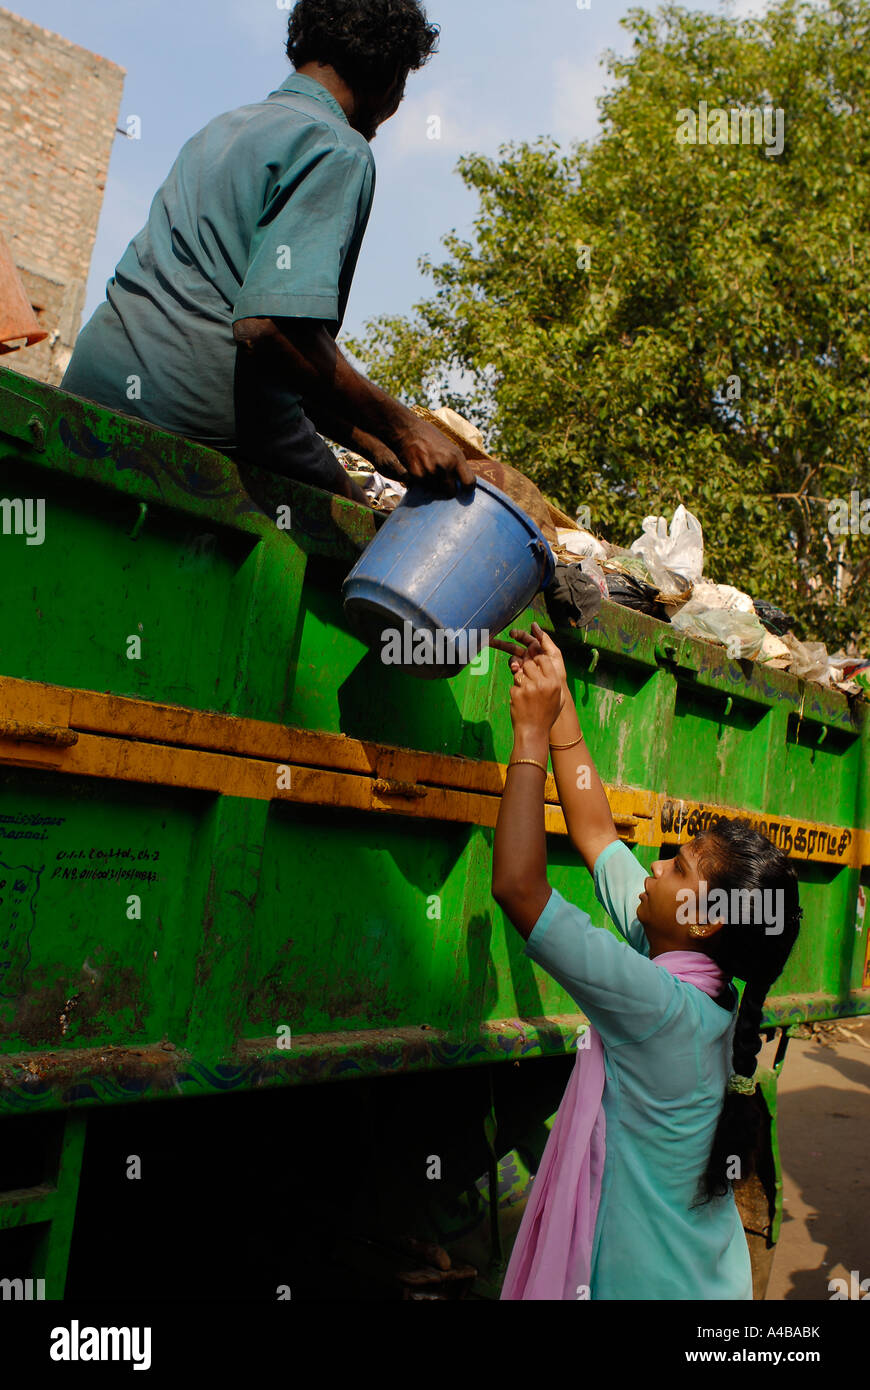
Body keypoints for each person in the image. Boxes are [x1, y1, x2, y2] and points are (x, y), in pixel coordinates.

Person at [489, 622, 802, 1300]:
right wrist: (563, 709)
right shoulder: (695, 977)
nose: (655, 867)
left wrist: (529, 739)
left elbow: (518, 888)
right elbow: (598, 831)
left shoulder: (658, 1006)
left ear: (706, 919)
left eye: (678, 867)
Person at [61, 0, 473, 508]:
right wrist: (407, 428)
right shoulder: (339, 147)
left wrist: (373, 441)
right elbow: (269, 329)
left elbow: (268, 343)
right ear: (390, 75)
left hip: (89, 383)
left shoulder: (224, 127)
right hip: (197, 418)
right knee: (361, 526)